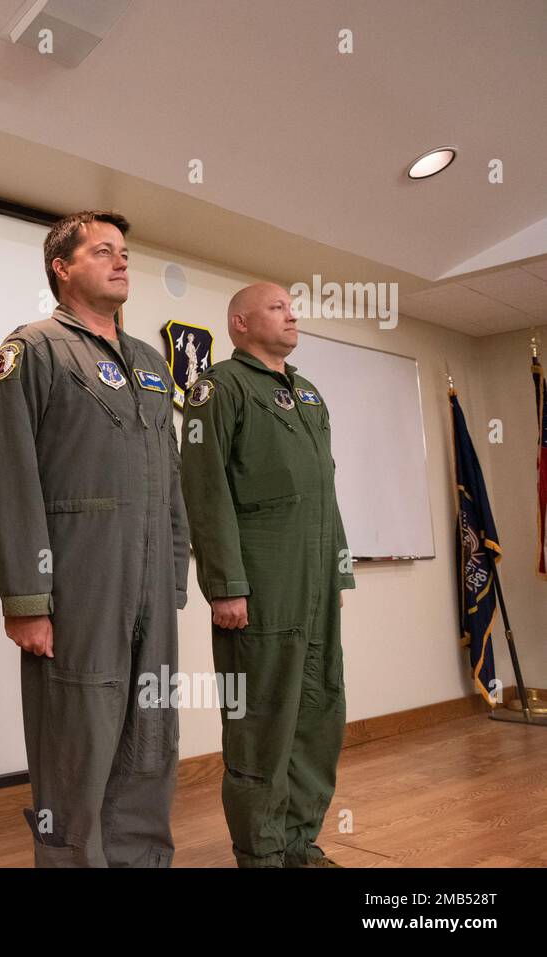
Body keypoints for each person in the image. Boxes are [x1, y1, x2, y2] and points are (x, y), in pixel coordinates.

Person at [0, 211, 189, 867]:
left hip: (150, 581)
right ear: (61, 267)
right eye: (103, 251)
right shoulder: (33, 348)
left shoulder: (152, 364)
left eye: (125, 251)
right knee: (77, 743)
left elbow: (170, 475)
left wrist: (174, 573)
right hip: (78, 582)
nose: (122, 261)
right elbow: (4, 473)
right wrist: (27, 597)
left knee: (150, 737)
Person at [179, 281, 353, 868]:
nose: (291, 314)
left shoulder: (307, 394)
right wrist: (225, 584)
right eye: (277, 307)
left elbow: (325, 492)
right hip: (263, 586)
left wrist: (338, 572)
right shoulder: (217, 388)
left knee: (318, 715)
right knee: (261, 725)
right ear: (240, 324)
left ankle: (300, 844)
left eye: (291, 306)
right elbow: (203, 489)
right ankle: (261, 855)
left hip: (316, 584)